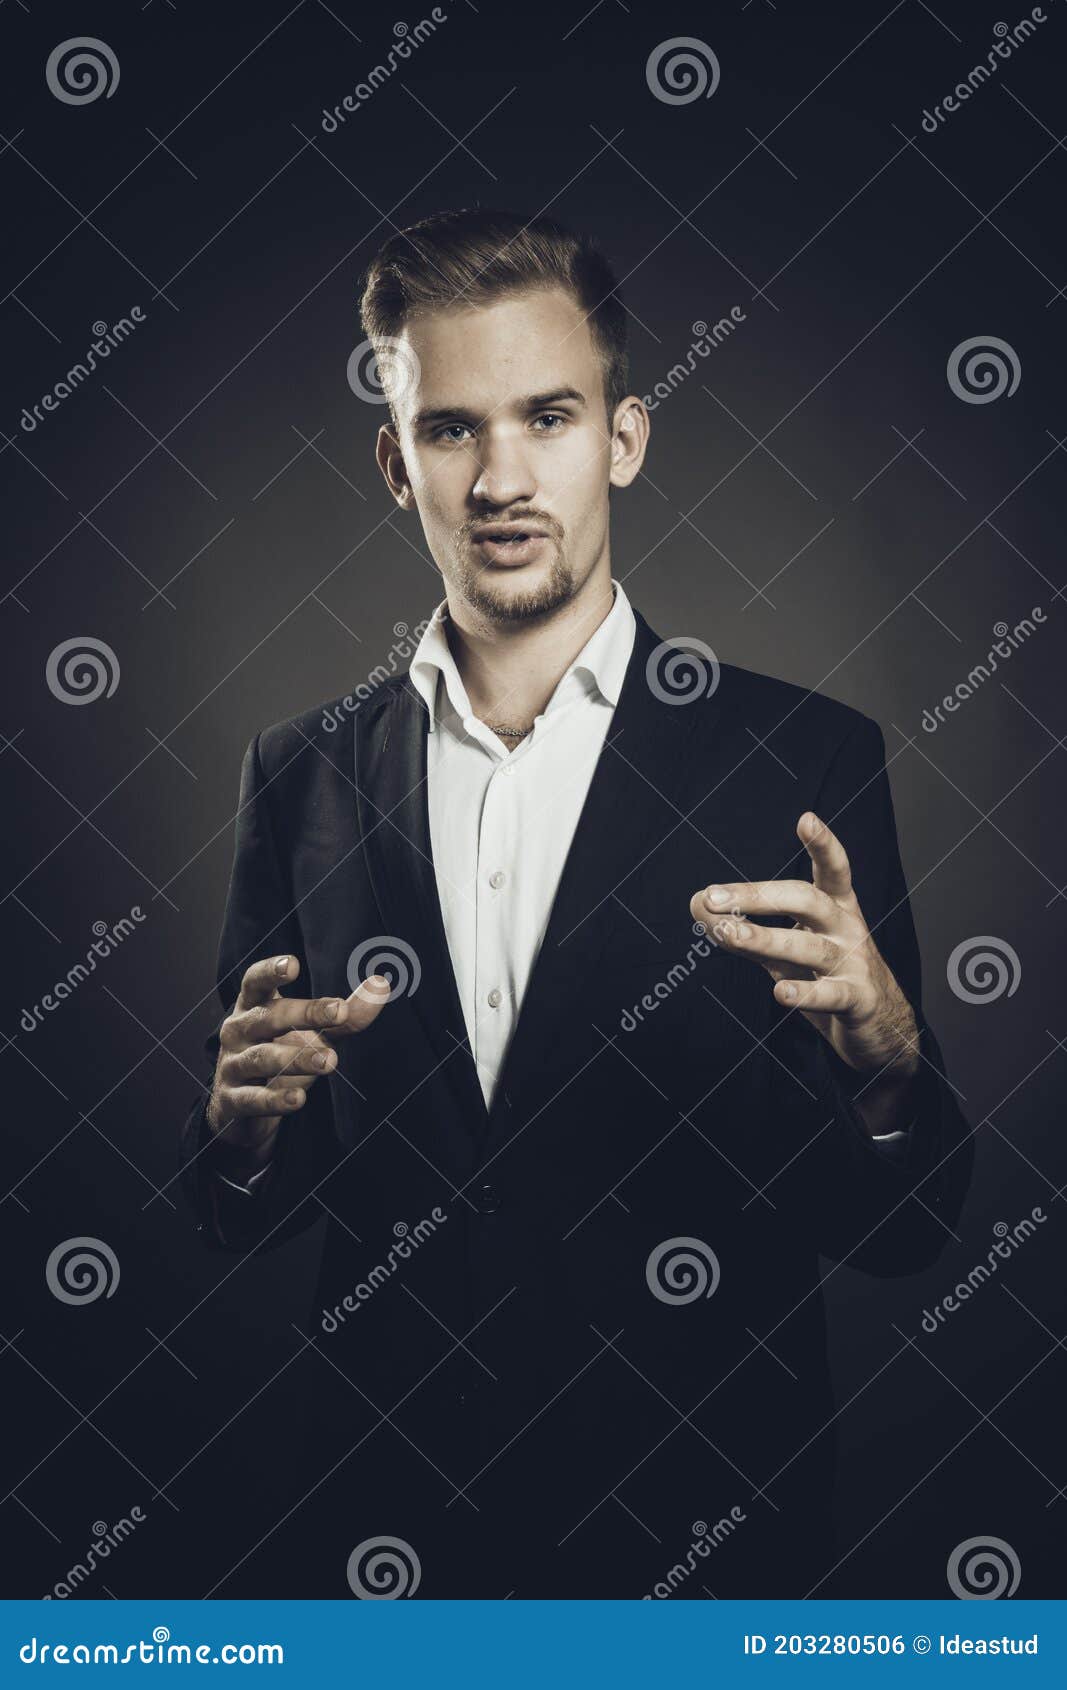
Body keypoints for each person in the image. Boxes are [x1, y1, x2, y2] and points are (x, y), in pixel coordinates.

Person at [181, 208, 973, 1599]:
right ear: (395, 462)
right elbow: (250, 1209)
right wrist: (239, 1134)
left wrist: (892, 1067)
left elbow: (903, 1235)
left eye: (547, 417)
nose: (501, 479)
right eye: (451, 429)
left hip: (707, 1538)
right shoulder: (300, 772)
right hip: (389, 1539)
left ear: (623, 439)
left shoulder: (802, 763)